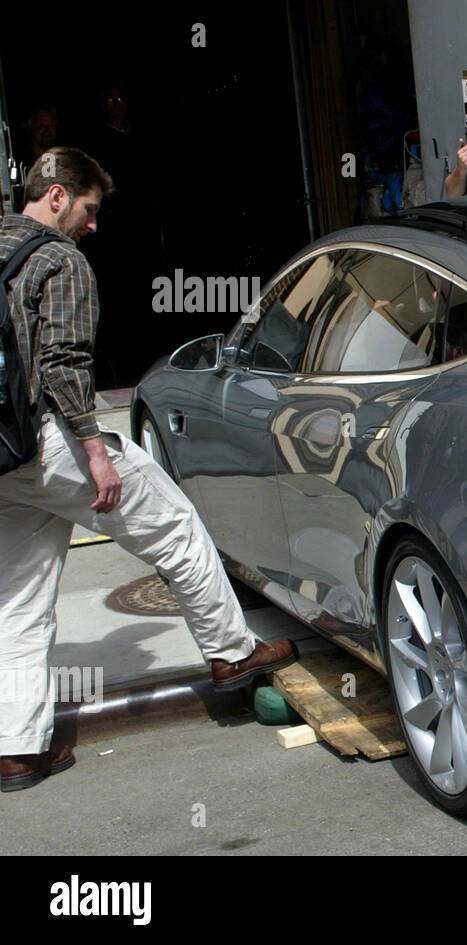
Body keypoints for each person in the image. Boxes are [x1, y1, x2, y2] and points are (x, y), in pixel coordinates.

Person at [0, 148, 298, 791]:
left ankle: (16, 750)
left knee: (18, 602)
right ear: (56, 197)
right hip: (50, 441)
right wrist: (96, 452)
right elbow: (63, 364)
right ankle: (231, 653)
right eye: (88, 208)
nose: (92, 224)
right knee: (177, 528)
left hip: (1, 460)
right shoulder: (60, 259)